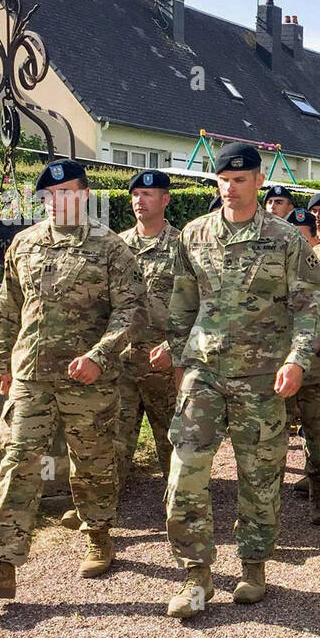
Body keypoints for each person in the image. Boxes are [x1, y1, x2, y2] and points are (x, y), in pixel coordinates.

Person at [0, 159, 146, 598]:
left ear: (85, 195)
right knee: (18, 460)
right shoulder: (23, 244)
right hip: (31, 376)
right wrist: (0, 360)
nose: (61, 202)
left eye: (71, 193)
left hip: (88, 380)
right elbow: (7, 308)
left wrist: (99, 356)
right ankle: (1, 565)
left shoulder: (110, 247)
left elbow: (130, 312)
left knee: (92, 459)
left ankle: (98, 535)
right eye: (53, 195)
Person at [163, 143, 320, 618]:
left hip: (262, 380)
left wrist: (297, 360)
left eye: (241, 180)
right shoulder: (193, 236)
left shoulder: (286, 239)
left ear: (259, 181)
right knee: (186, 473)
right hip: (204, 373)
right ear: (216, 183)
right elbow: (181, 304)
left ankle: (253, 567)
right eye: (224, 180)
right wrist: (179, 361)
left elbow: (310, 306)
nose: (231, 188)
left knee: (259, 477)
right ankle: (196, 575)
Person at [113, 170, 179, 490]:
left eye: (148, 194)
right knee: (115, 438)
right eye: (136, 194)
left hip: (162, 363)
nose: (140, 200)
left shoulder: (182, 247)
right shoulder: (118, 246)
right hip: (123, 360)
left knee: (172, 441)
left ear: (165, 199)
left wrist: (175, 349)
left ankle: (181, 509)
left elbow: (197, 304)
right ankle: (110, 509)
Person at [283, 207, 320, 525]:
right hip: (279, 373)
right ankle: (261, 509)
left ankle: (318, 494)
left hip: (316, 374)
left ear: (314, 239)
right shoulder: (271, 279)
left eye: (303, 238)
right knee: (270, 440)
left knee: (318, 438)